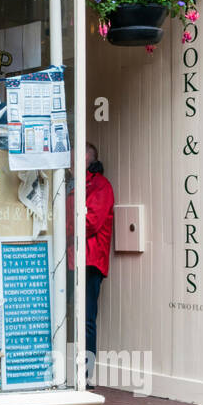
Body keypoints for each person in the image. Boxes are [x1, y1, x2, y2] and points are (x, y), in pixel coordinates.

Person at [68, 144, 114, 388]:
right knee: (69, 317)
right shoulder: (71, 184)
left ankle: (84, 376)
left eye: (76, 156)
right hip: (71, 257)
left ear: (87, 159)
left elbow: (89, 223)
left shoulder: (99, 186)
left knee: (85, 319)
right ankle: (67, 370)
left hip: (89, 260)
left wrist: (64, 229)